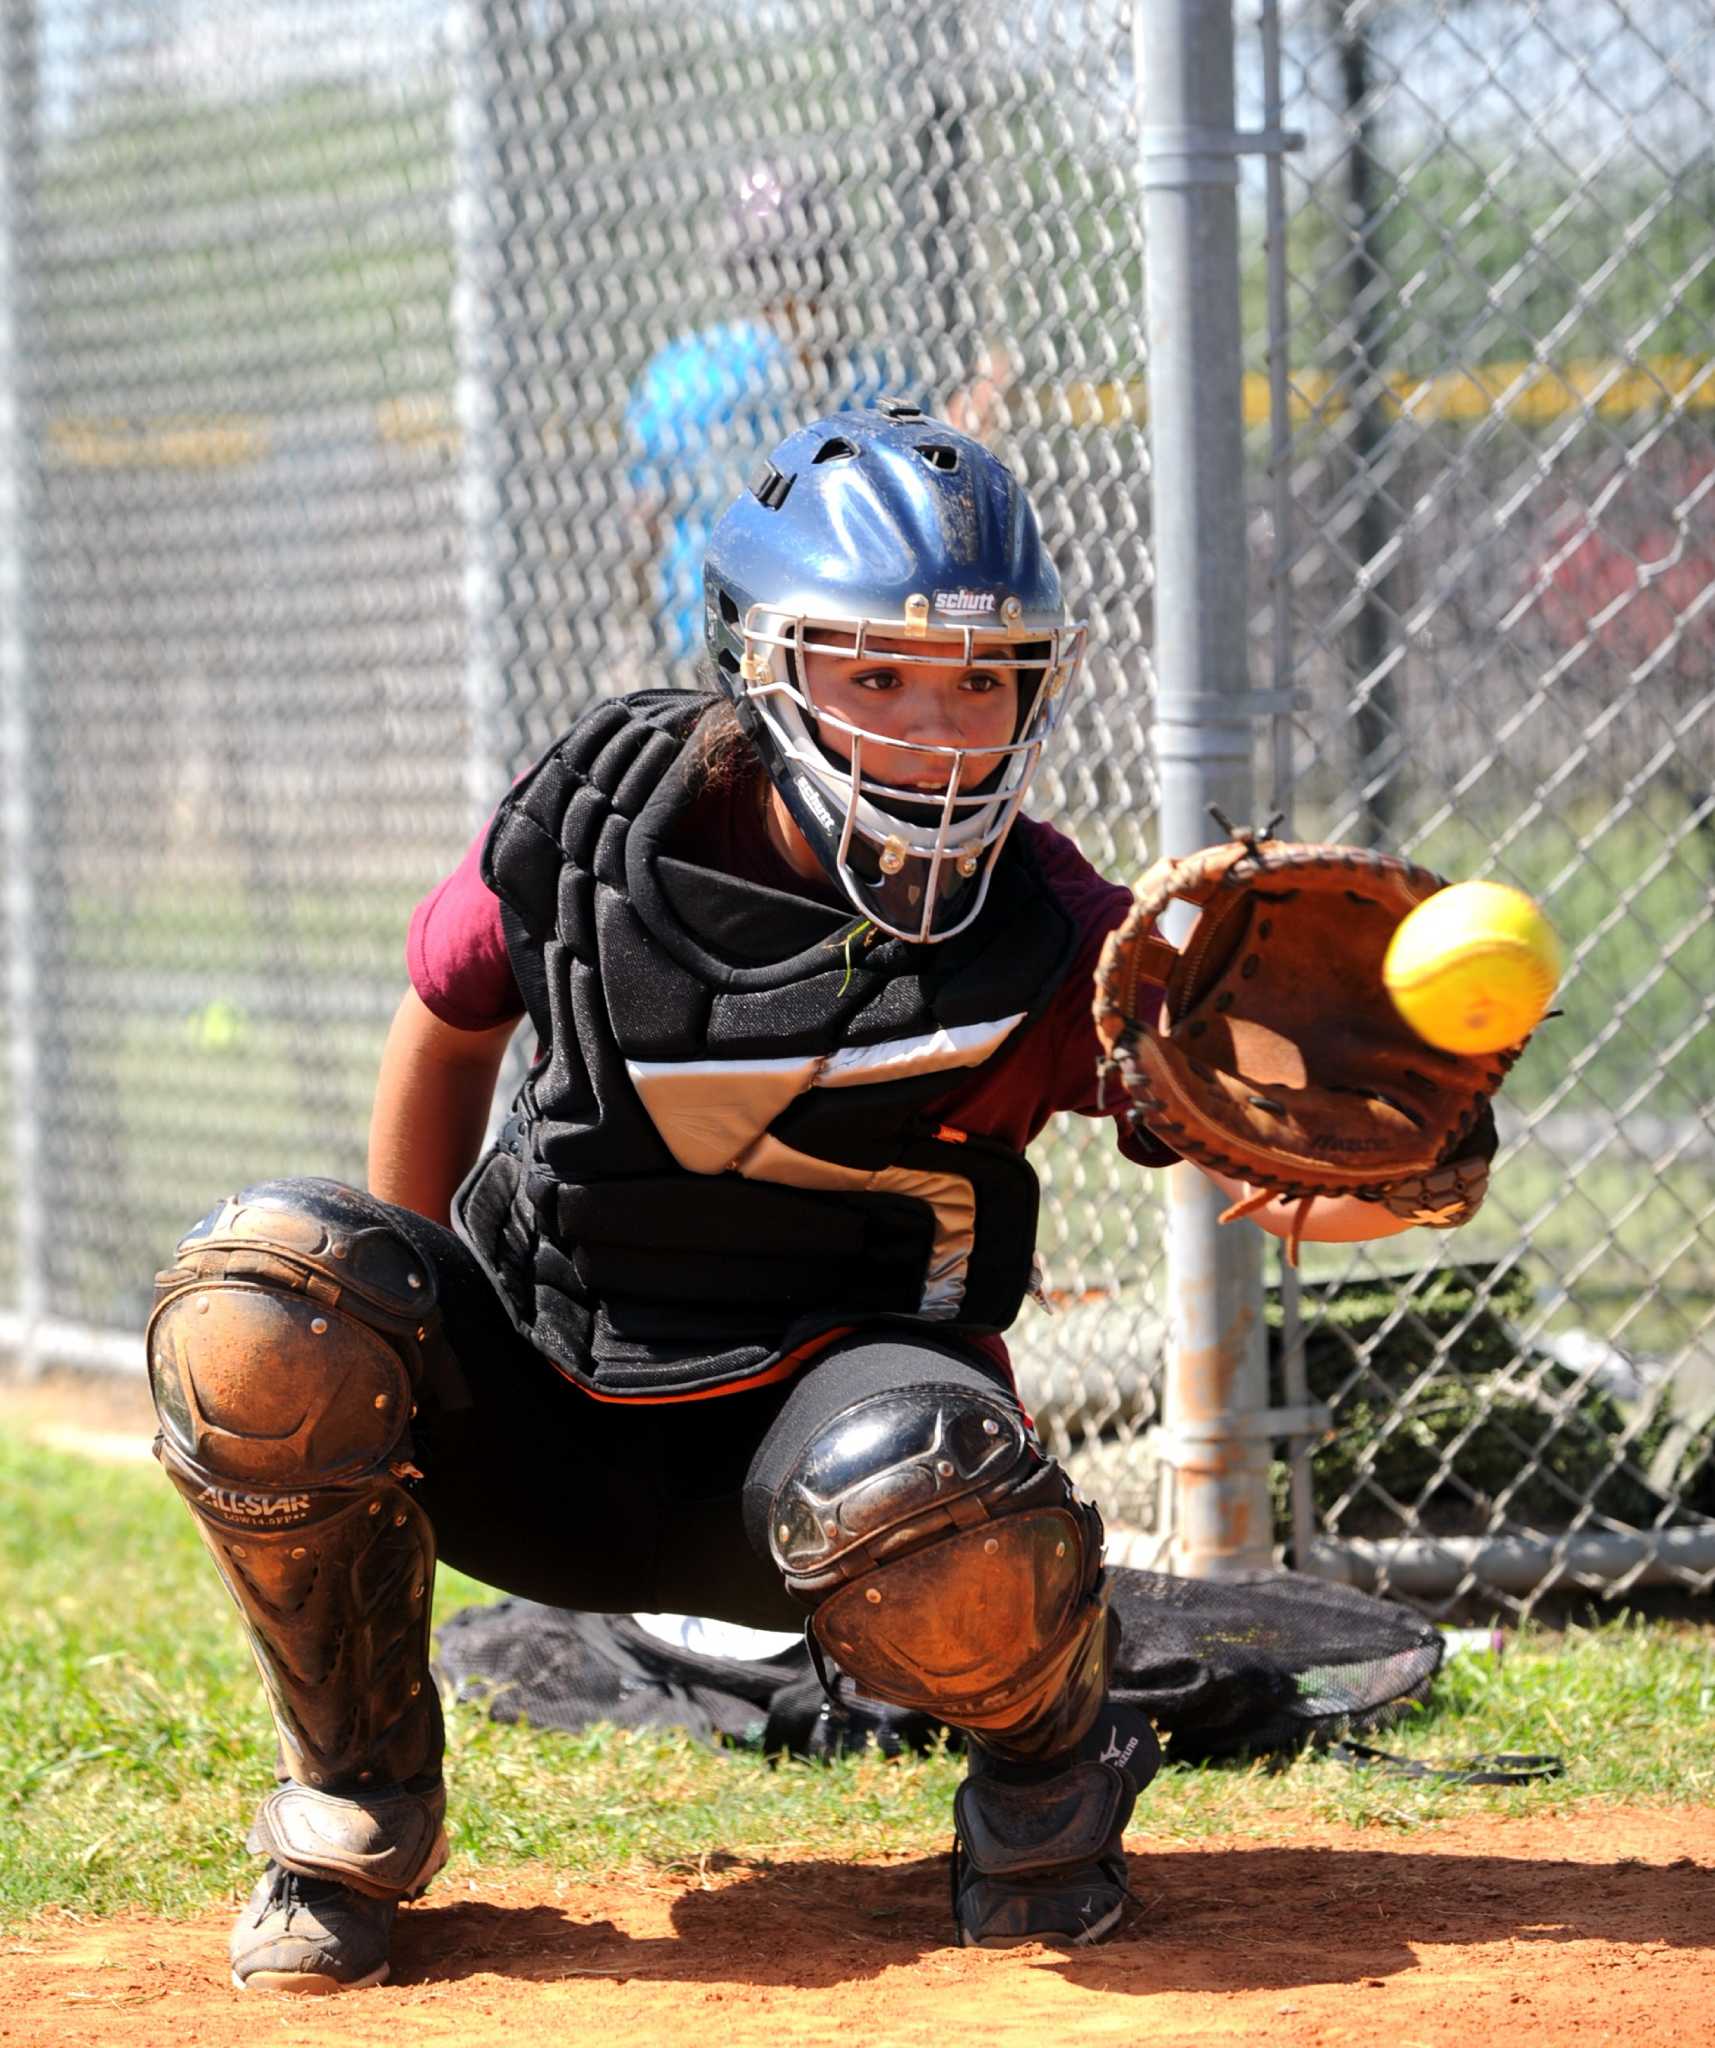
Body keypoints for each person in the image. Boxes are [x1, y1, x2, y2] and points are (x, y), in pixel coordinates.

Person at [144, 398, 1459, 1996]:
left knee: (918, 1466)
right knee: (267, 1293)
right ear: (759, 663)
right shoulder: (602, 834)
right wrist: (396, 1311)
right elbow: (444, 1009)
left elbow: (1269, 1156)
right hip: (548, 1407)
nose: (937, 728)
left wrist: (1408, 1146)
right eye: (875, 669)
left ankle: (1052, 1767)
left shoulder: (1054, 939)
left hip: (825, 1483)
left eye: (984, 680)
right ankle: (358, 1794)